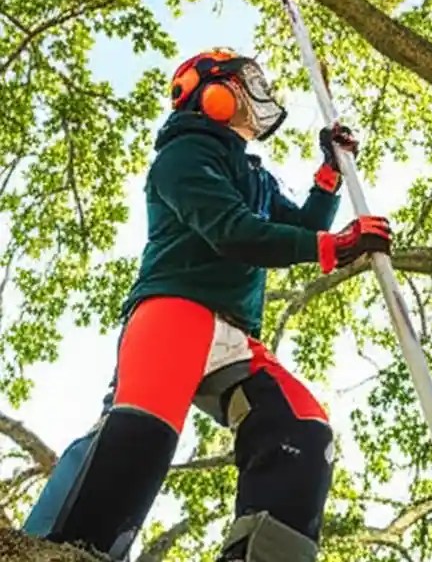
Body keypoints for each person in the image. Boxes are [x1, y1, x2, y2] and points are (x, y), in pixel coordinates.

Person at [21, 48, 394, 561]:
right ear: (210, 92)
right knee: (140, 439)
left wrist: (328, 175)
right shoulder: (182, 155)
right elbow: (231, 231)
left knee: (303, 432)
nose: (257, 95)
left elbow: (299, 231)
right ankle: (65, 549)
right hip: (176, 311)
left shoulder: (255, 176)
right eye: (245, 83)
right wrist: (333, 248)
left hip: (236, 334)